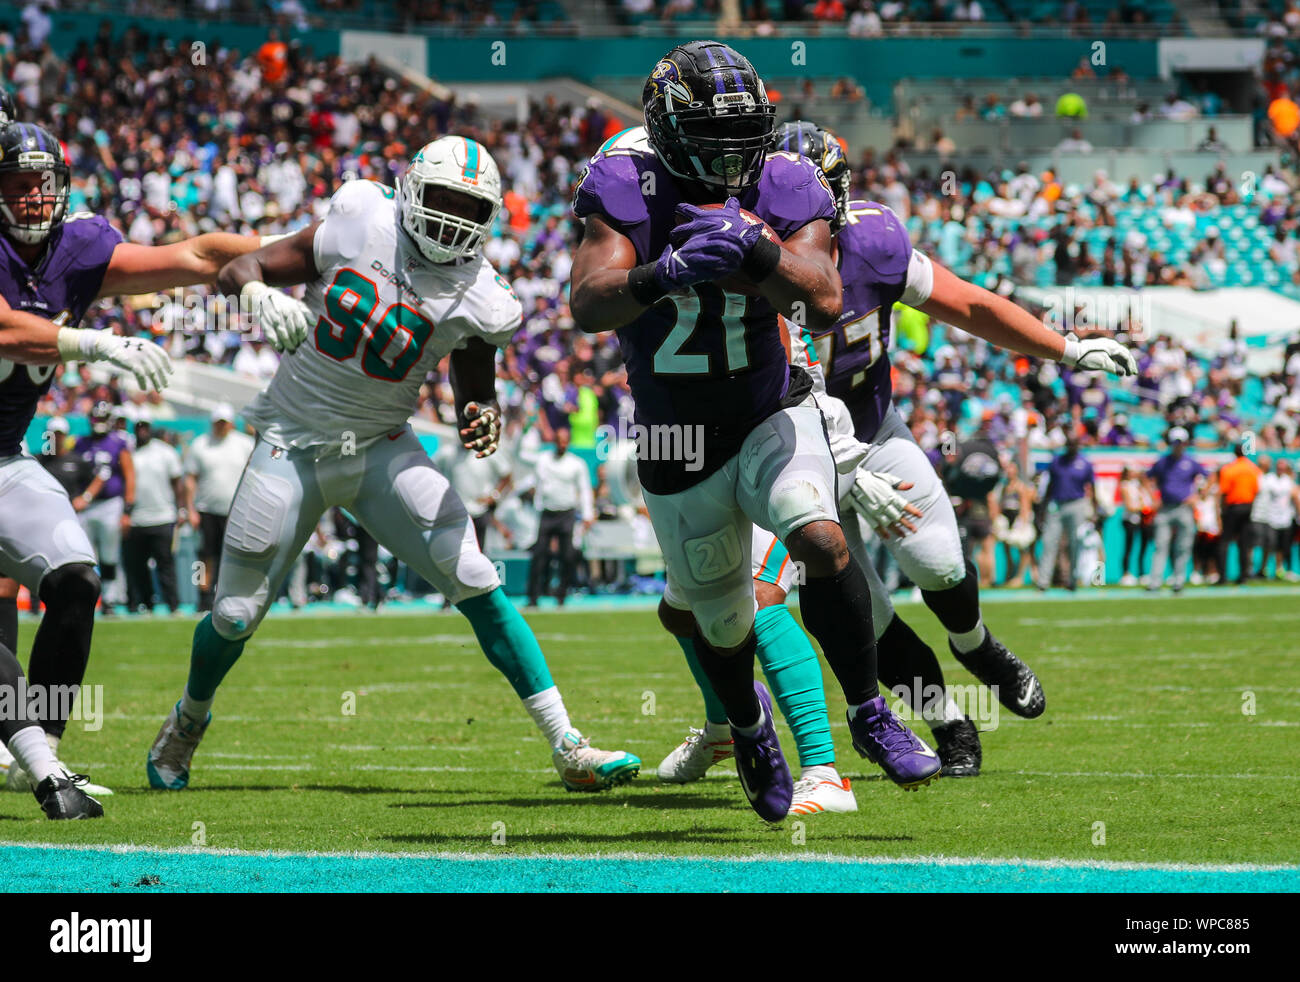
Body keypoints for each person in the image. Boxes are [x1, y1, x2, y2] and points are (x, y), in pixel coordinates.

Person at [146, 136, 639, 796]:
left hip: (382, 447)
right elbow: (243, 269)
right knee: (235, 615)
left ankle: (566, 742)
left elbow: (474, 376)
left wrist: (479, 412)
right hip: (291, 443)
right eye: (443, 200)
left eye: (470, 208)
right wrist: (261, 295)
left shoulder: (481, 293)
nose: (453, 220)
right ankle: (188, 719)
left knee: (474, 573)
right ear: (411, 191)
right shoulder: (360, 221)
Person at [570, 43, 943, 822]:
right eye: (712, 133)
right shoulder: (627, 180)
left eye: (743, 133)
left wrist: (760, 249)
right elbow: (590, 302)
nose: (732, 153)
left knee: (820, 537)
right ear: (667, 130)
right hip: (676, 434)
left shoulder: (785, 179)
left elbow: (826, 300)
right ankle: (745, 727)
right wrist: (661, 274)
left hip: (772, 407)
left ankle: (871, 713)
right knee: (724, 616)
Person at [0, 119, 264, 816]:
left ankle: (43, 758)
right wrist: (94, 343)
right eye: (18, 185)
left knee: (79, 583)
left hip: (6, 455)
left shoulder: (77, 248)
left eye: (43, 184)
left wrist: (308, 256)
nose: (33, 199)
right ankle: (40, 767)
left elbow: (199, 255)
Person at [184, 402, 254, 612]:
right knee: (205, 556)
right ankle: (203, 597)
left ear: (231, 423)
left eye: (224, 423)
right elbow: (190, 480)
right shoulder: (200, 445)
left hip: (238, 510)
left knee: (236, 555)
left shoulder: (244, 444)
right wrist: (191, 509)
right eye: (218, 422)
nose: (221, 426)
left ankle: (233, 596)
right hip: (207, 509)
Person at [73, 401, 134, 615]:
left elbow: (129, 475)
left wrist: (127, 510)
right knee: (84, 556)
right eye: (95, 418)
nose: (98, 423)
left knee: (109, 555)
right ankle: (86, 597)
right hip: (86, 507)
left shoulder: (118, 443)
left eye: (102, 418)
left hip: (110, 504)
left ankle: (109, 599)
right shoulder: (80, 443)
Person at [526, 427, 592, 608]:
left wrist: (588, 514)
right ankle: (533, 597)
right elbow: (522, 455)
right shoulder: (543, 459)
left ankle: (561, 595)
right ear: (554, 441)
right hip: (547, 513)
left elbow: (584, 489)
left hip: (566, 514)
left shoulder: (576, 464)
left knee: (568, 556)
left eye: (565, 440)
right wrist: (525, 428)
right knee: (539, 555)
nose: (562, 444)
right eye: (558, 440)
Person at [123, 419, 183, 614]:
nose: (142, 431)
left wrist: (181, 509)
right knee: (138, 567)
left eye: (145, 427)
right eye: (139, 427)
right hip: (137, 518)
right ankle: (146, 604)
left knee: (165, 565)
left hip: (163, 516)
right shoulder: (128, 451)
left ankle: (173, 605)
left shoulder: (165, 452)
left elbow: (177, 484)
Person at [1146, 427, 1207, 593]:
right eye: (1175, 443)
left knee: (1183, 546)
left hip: (1183, 508)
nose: (1177, 446)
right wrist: (1154, 497)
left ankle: (1178, 581)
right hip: (1165, 508)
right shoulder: (1163, 462)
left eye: (1180, 443)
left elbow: (1208, 477)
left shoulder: (1191, 462)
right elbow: (1147, 477)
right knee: (1160, 546)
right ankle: (1155, 582)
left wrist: (1198, 496)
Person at [1036, 436, 1098, 591]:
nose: (1071, 446)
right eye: (1069, 443)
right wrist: (1042, 509)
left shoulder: (1085, 463)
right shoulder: (1057, 461)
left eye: (1073, 443)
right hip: (1056, 504)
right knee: (1049, 542)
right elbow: (1050, 486)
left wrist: (1095, 509)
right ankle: (1043, 581)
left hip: (1077, 504)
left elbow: (1092, 487)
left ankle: (1072, 579)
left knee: (1075, 543)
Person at [1217, 443, 1261, 585]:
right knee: (1244, 543)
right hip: (1248, 507)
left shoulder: (1229, 469)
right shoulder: (1252, 468)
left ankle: (1222, 576)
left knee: (1224, 542)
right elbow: (1256, 489)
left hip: (1233, 507)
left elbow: (1224, 491)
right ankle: (1243, 576)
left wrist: (1221, 510)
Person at [1118, 466, 1154, 585]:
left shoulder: (1139, 486)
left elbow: (1150, 500)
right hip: (1130, 520)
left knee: (1143, 547)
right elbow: (1130, 506)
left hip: (1141, 520)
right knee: (1129, 547)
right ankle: (1126, 573)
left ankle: (1142, 573)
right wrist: (1144, 508)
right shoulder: (1125, 485)